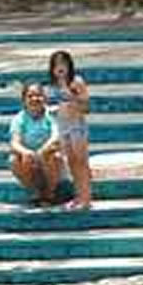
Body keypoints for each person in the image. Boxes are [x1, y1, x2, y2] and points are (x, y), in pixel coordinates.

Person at [47, 52, 94, 211]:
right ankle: (78, 196)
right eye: (56, 64)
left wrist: (73, 98)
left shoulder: (77, 81)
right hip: (63, 125)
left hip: (76, 125)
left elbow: (86, 106)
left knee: (81, 161)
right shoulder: (54, 85)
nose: (60, 67)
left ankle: (86, 198)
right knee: (72, 162)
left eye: (63, 64)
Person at [8, 84, 63, 206]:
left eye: (38, 95)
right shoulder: (19, 118)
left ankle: (49, 192)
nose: (34, 99)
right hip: (30, 158)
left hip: (48, 155)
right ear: (24, 100)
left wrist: (43, 150)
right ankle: (35, 193)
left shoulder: (52, 115)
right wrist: (26, 152)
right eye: (30, 96)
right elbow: (14, 142)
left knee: (56, 156)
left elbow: (56, 137)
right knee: (13, 160)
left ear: (44, 98)